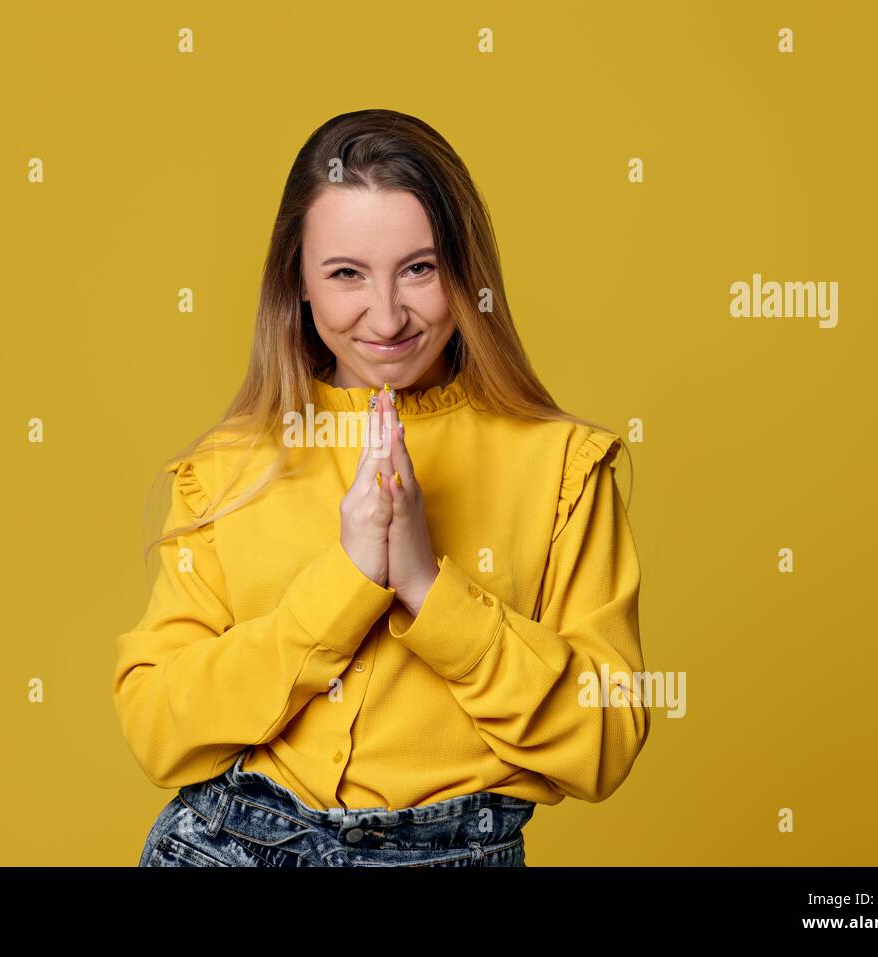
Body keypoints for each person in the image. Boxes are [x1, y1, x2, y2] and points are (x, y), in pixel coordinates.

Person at [113, 108, 651, 867]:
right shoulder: (228, 467)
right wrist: (349, 581)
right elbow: (157, 728)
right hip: (230, 842)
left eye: (420, 269)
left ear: (468, 277)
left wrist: (430, 589)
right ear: (296, 282)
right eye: (345, 274)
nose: (387, 315)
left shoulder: (563, 467)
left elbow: (606, 738)